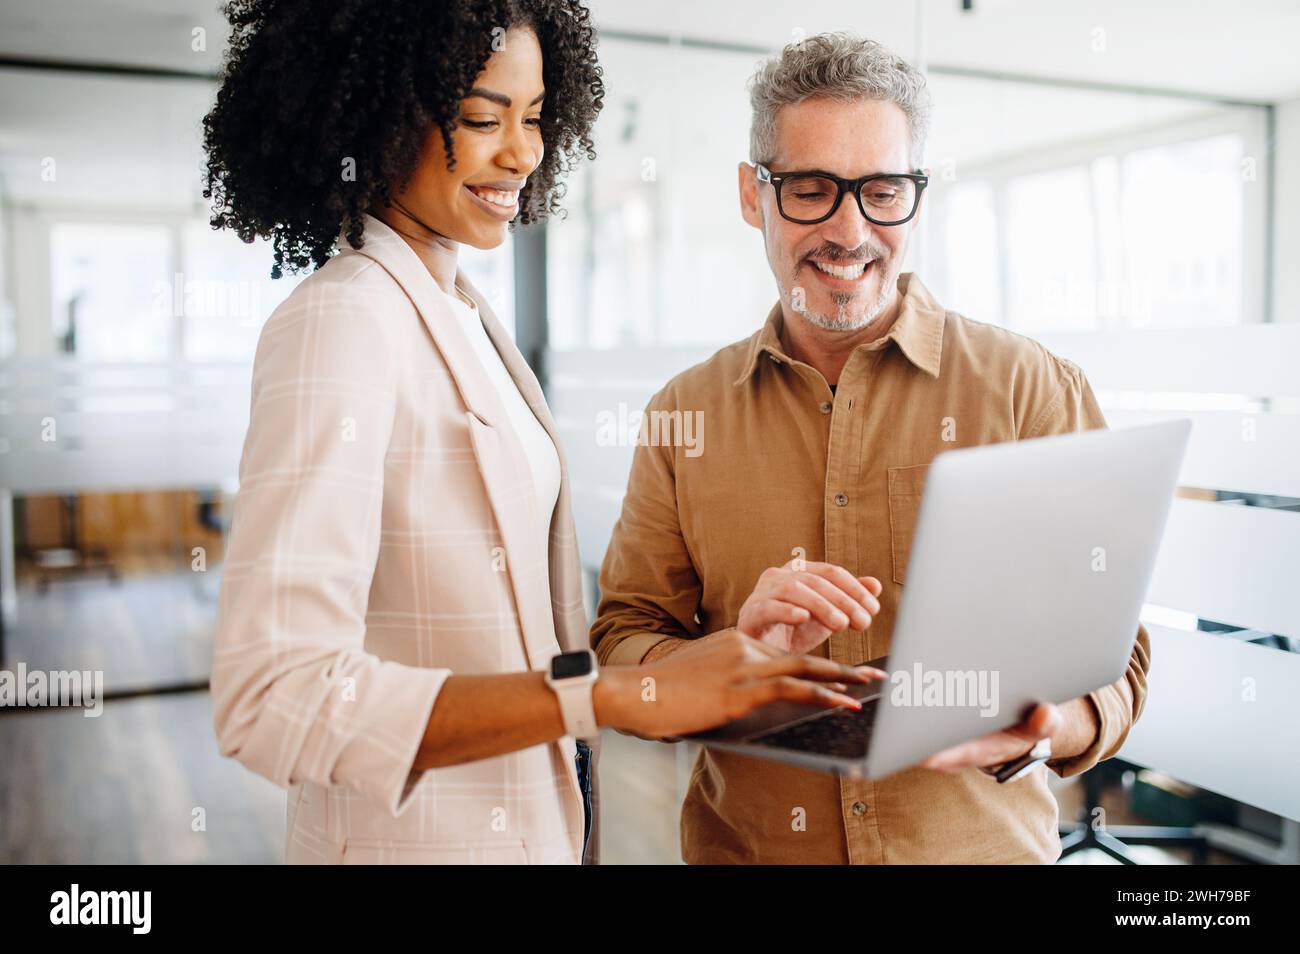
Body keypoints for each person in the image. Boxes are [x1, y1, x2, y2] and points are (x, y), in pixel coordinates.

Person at [204, 1, 881, 865]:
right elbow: (273, 696)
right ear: (372, 121)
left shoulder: (461, 315)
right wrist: (598, 696)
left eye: (533, 117)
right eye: (484, 118)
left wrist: (699, 664)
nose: (523, 152)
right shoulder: (344, 321)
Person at [591, 32, 1151, 864]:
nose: (850, 231)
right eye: (811, 190)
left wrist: (1050, 724)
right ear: (754, 193)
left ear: (914, 196)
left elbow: (1117, 651)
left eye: (883, 190)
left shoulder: (1031, 389)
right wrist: (731, 660)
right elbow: (624, 643)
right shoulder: (685, 412)